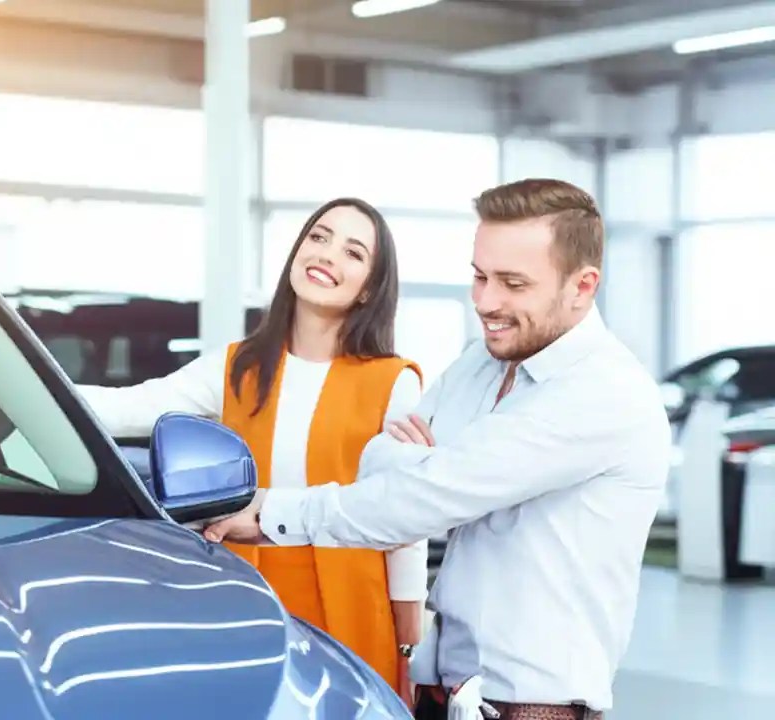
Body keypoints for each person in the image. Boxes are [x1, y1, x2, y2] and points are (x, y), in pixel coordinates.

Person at [204, 178, 671, 720]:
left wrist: (269, 512)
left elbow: (421, 500)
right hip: (442, 688)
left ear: (582, 287)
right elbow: (380, 460)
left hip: (527, 705)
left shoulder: (601, 394)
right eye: (479, 276)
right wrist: (426, 471)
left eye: (513, 283)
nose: (486, 302)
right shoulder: (484, 360)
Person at [77, 198, 428, 703]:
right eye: (319, 237)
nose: (327, 255)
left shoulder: (393, 382)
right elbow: (126, 409)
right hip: (251, 606)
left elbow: (406, 527)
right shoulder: (236, 367)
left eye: (353, 252)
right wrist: (13, 379)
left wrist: (410, 645)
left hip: (354, 609)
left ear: (369, 287)